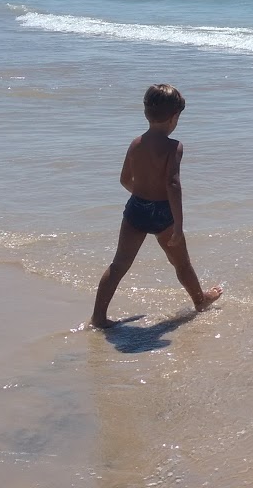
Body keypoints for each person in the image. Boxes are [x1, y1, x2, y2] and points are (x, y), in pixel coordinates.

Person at [90, 84, 223, 328]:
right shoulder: (174, 147)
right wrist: (179, 224)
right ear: (174, 118)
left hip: (136, 209)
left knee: (119, 264)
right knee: (182, 263)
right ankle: (200, 300)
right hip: (163, 213)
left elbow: (124, 180)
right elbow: (173, 184)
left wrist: (142, 196)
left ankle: (98, 317)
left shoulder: (136, 143)